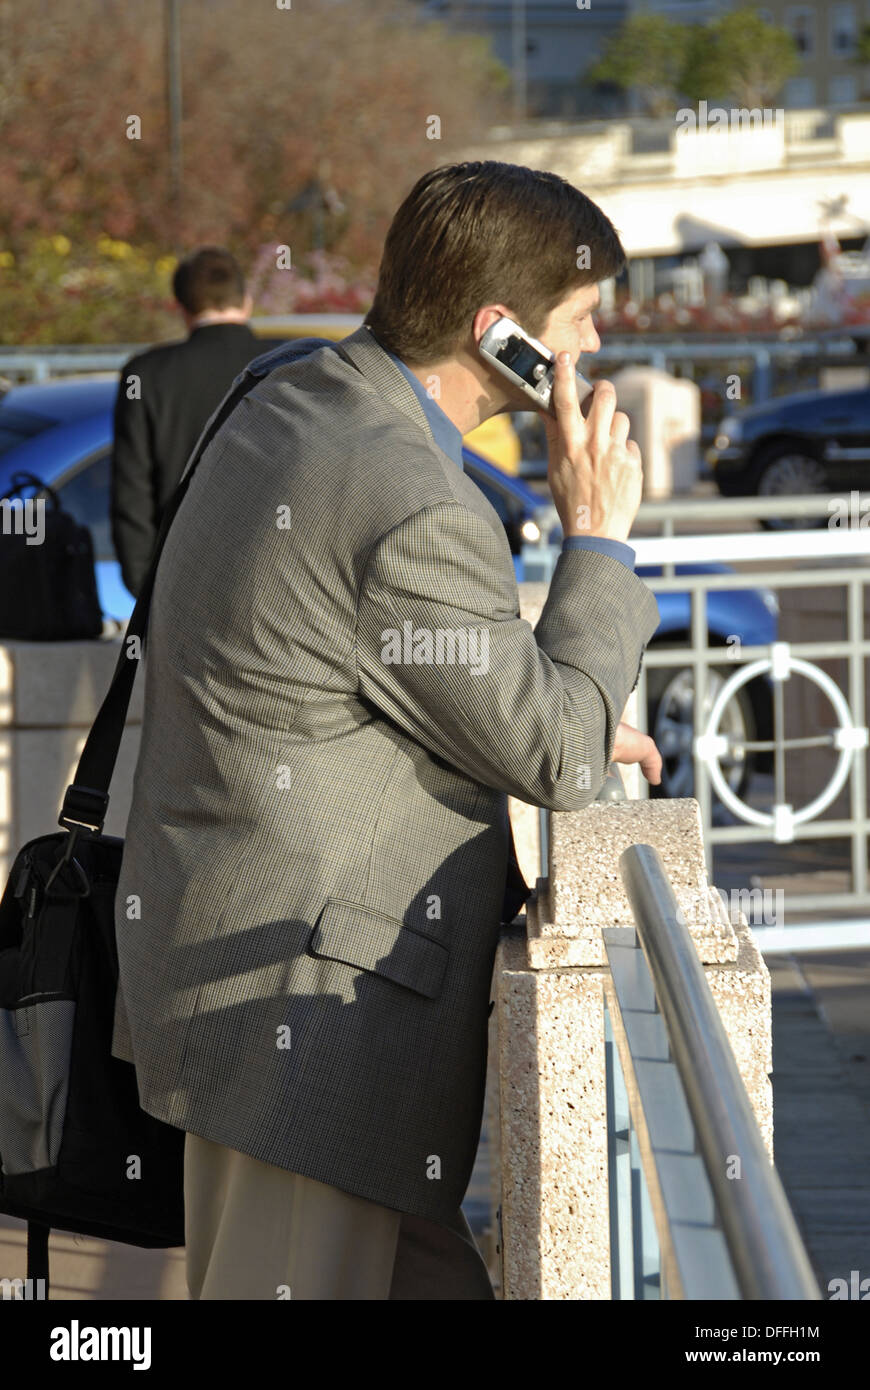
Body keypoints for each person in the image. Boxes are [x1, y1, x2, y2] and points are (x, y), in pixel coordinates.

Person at [110, 160, 662, 1300]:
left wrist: (550, 687)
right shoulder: (412, 499)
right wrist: (599, 540)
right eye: (583, 318)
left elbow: (367, 660)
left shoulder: (290, 392)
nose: (598, 343)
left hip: (237, 971)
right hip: (309, 1030)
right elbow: (554, 751)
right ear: (502, 332)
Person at [110, 246, 262, 596]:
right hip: (285, 583)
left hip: (182, 585)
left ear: (180, 308)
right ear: (247, 300)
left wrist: (146, 590)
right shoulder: (301, 361)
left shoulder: (147, 375)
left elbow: (131, 493)